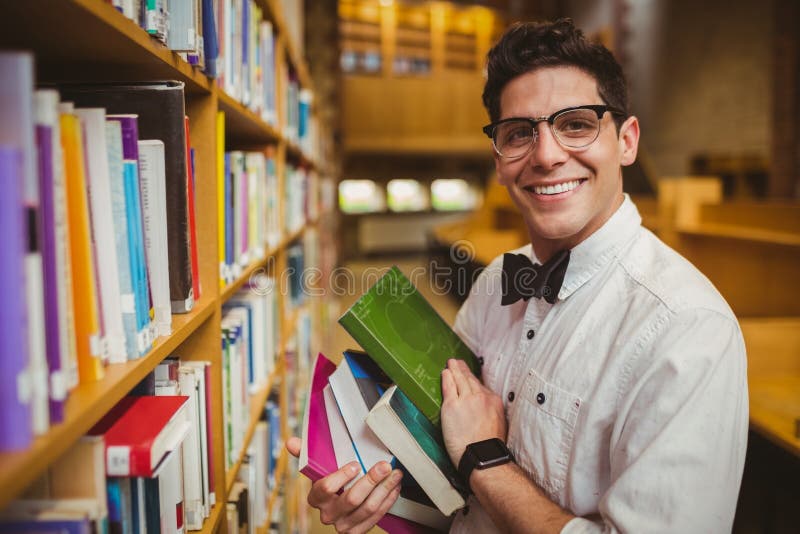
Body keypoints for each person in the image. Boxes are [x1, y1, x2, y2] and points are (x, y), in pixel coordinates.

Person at [287, 18, 748, 533]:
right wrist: (371, 487)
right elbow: (441, 449)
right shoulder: (493, 284)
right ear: (499, 157)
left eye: (576, 124)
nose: (547, 155)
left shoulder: (689, 329)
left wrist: (485, 458)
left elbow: (472, 455)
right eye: (520, 133)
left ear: (627, 141)